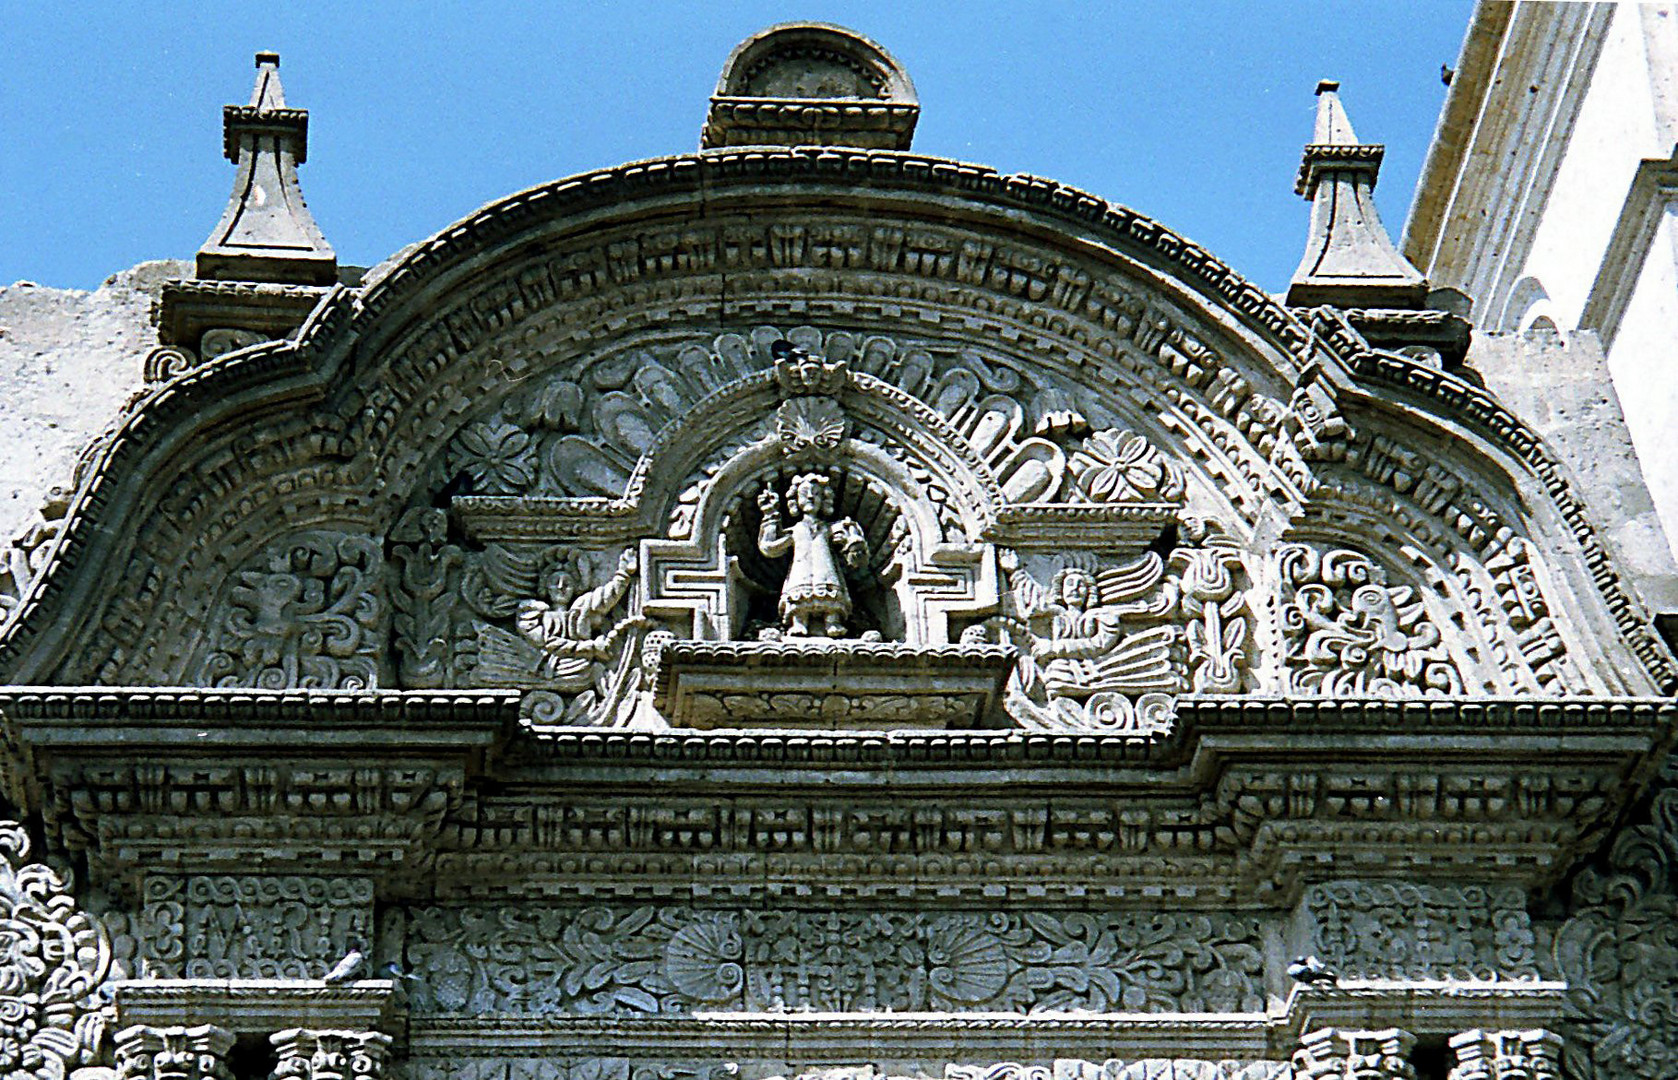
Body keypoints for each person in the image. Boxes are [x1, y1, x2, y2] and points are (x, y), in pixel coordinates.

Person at [757, 473, 867, 638]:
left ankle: (832, 622)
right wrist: (770, 514)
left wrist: (853, 538)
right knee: (799, 596)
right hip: (800, 572)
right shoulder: (795, 530)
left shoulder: (830, 528)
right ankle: (799, 623)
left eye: (816, 494)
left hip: (826, 571)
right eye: (804, 494)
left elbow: (854, 551)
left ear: (824, 499)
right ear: (796, 500)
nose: (810, 497)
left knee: (832, 597)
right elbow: (770, 547)